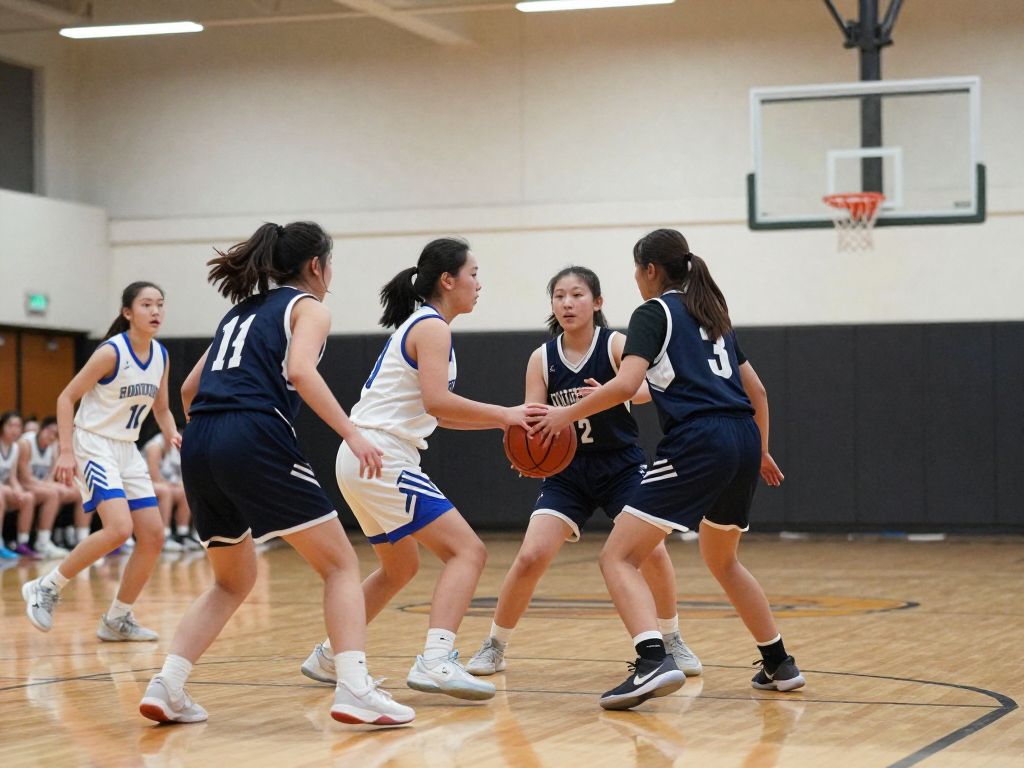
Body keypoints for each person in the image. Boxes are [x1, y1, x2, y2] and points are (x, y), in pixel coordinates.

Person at [138, 221, 414, 727]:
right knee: (339, 567)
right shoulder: (309, 307)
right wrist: (351, 433)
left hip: (200, 440)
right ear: (316, 266)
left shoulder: (238, 312)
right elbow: (302, 372)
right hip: (252, 432)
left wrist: (213, 439)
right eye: (331, 264)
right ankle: (354, 688)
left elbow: (189, 390)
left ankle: (168, 684)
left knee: (231, 581)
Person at [532, 229, 802, 710]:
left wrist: (565, 413)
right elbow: (757, 393)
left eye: (637, 270)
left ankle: (653, 658)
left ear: (650, 271)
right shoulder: (712, 316)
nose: (636, 279)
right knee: (724, 560)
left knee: (617, 557)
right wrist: (760, 451)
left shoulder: (653, 313)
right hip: (741, 437)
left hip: (699, 442)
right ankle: (779, 662)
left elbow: (627, 384)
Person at [299, 237, 546, 702]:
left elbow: (440, 414)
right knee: (468, 552)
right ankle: (435, 658)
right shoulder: (432, 327)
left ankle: (330, 654)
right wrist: (506, 414)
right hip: (381, 454)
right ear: (447, 280)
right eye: (473, 273)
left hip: (364, 456)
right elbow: (439, 401)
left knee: (400, 566)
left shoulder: (428, 327)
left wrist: (501, 421)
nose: (479, 283)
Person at [465, 266, 701, 678]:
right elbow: (533, 417)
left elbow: (647, 388)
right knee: (531, 556)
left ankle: (671, 637)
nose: (567, 303)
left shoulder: (615, 345)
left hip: (621, 466)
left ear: (597, 302)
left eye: (576, 295)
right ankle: (495, 644)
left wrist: (610, 396)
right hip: (567, 474)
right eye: (559, 296)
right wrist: (527, 451)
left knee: (654, 552)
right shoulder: (542, 358)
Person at [21, 282, 179, 643]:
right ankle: (46, 586)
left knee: (153, 536)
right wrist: (65, 450)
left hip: (127, 448)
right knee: (119, 528)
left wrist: (173, 435)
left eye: (160, 304)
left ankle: (117, 618)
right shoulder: (112, 352)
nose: (155, 311)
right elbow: (67, 397)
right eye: (146, 305)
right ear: (127, 313)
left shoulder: (161, 356)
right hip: (93, 443)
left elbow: (163, 409)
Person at [18, 417, 89, 558]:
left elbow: (51, 476)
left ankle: (82, 539)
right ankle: (42, 542)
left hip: (39, 486)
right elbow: (25, 478)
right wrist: (52, 486)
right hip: (22, 485)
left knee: (82, 491)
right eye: (49, 432)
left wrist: (54, 485)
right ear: (41, 429)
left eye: (55, 434)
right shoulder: (26, 443)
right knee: (53, 493)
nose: (52, 436)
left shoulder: (52, 446)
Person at [144, 429, 200, 551]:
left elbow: (180, 476)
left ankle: (182, 534)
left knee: (186, 491)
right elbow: (154, 477)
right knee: (166, 492)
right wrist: (172, 485)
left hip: (164, 485)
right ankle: (165, 535)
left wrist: (179, 485)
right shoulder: (155, 446)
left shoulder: (176, 446)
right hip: (145, 484)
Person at [1, 411, 34, 559]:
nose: (15, 429)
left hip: (4, 488)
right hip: (2, 490)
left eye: (18, 426)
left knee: (28, 497)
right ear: (2, 427)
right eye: (11, 425)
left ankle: (22, 543)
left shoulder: (15, 447)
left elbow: (13, 477)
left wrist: (18, 490)